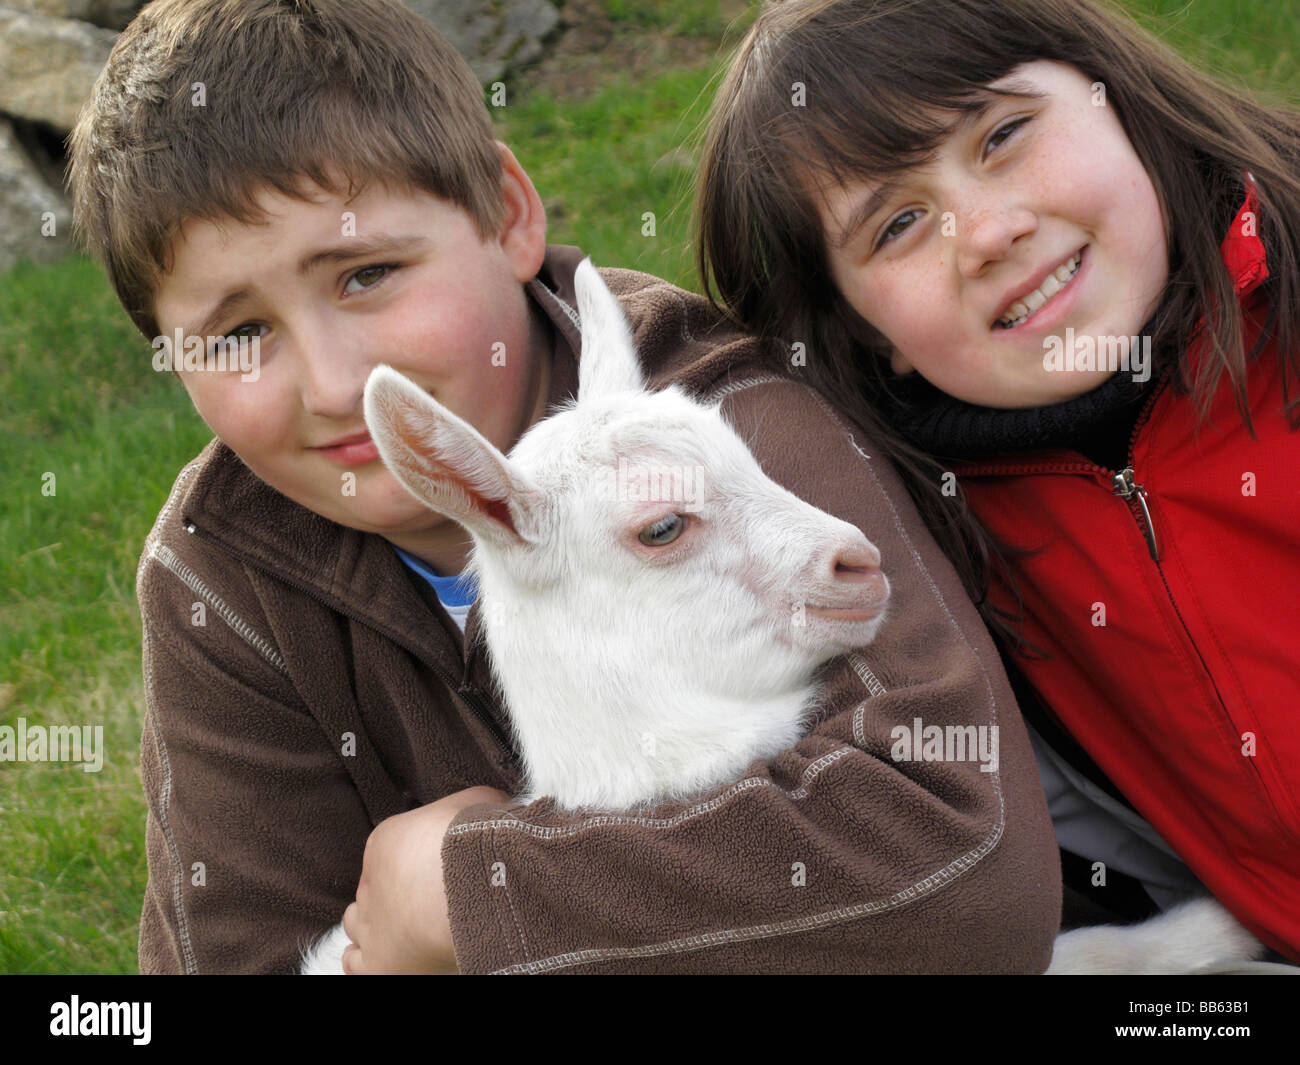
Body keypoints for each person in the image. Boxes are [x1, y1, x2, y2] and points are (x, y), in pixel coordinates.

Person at [65, 0, 1060, 974]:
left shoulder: (721, 423)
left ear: (507, 216)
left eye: (366, 273)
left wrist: (472, 894)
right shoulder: (224, 575)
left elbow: (963, 878)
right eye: (238, 335)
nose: (332, 387)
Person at [696, 0, 1300, 963]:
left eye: (1004, 134)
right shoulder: (916, 540)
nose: (985, 232)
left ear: (1118, 96)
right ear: (863, 335)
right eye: (898, 224)